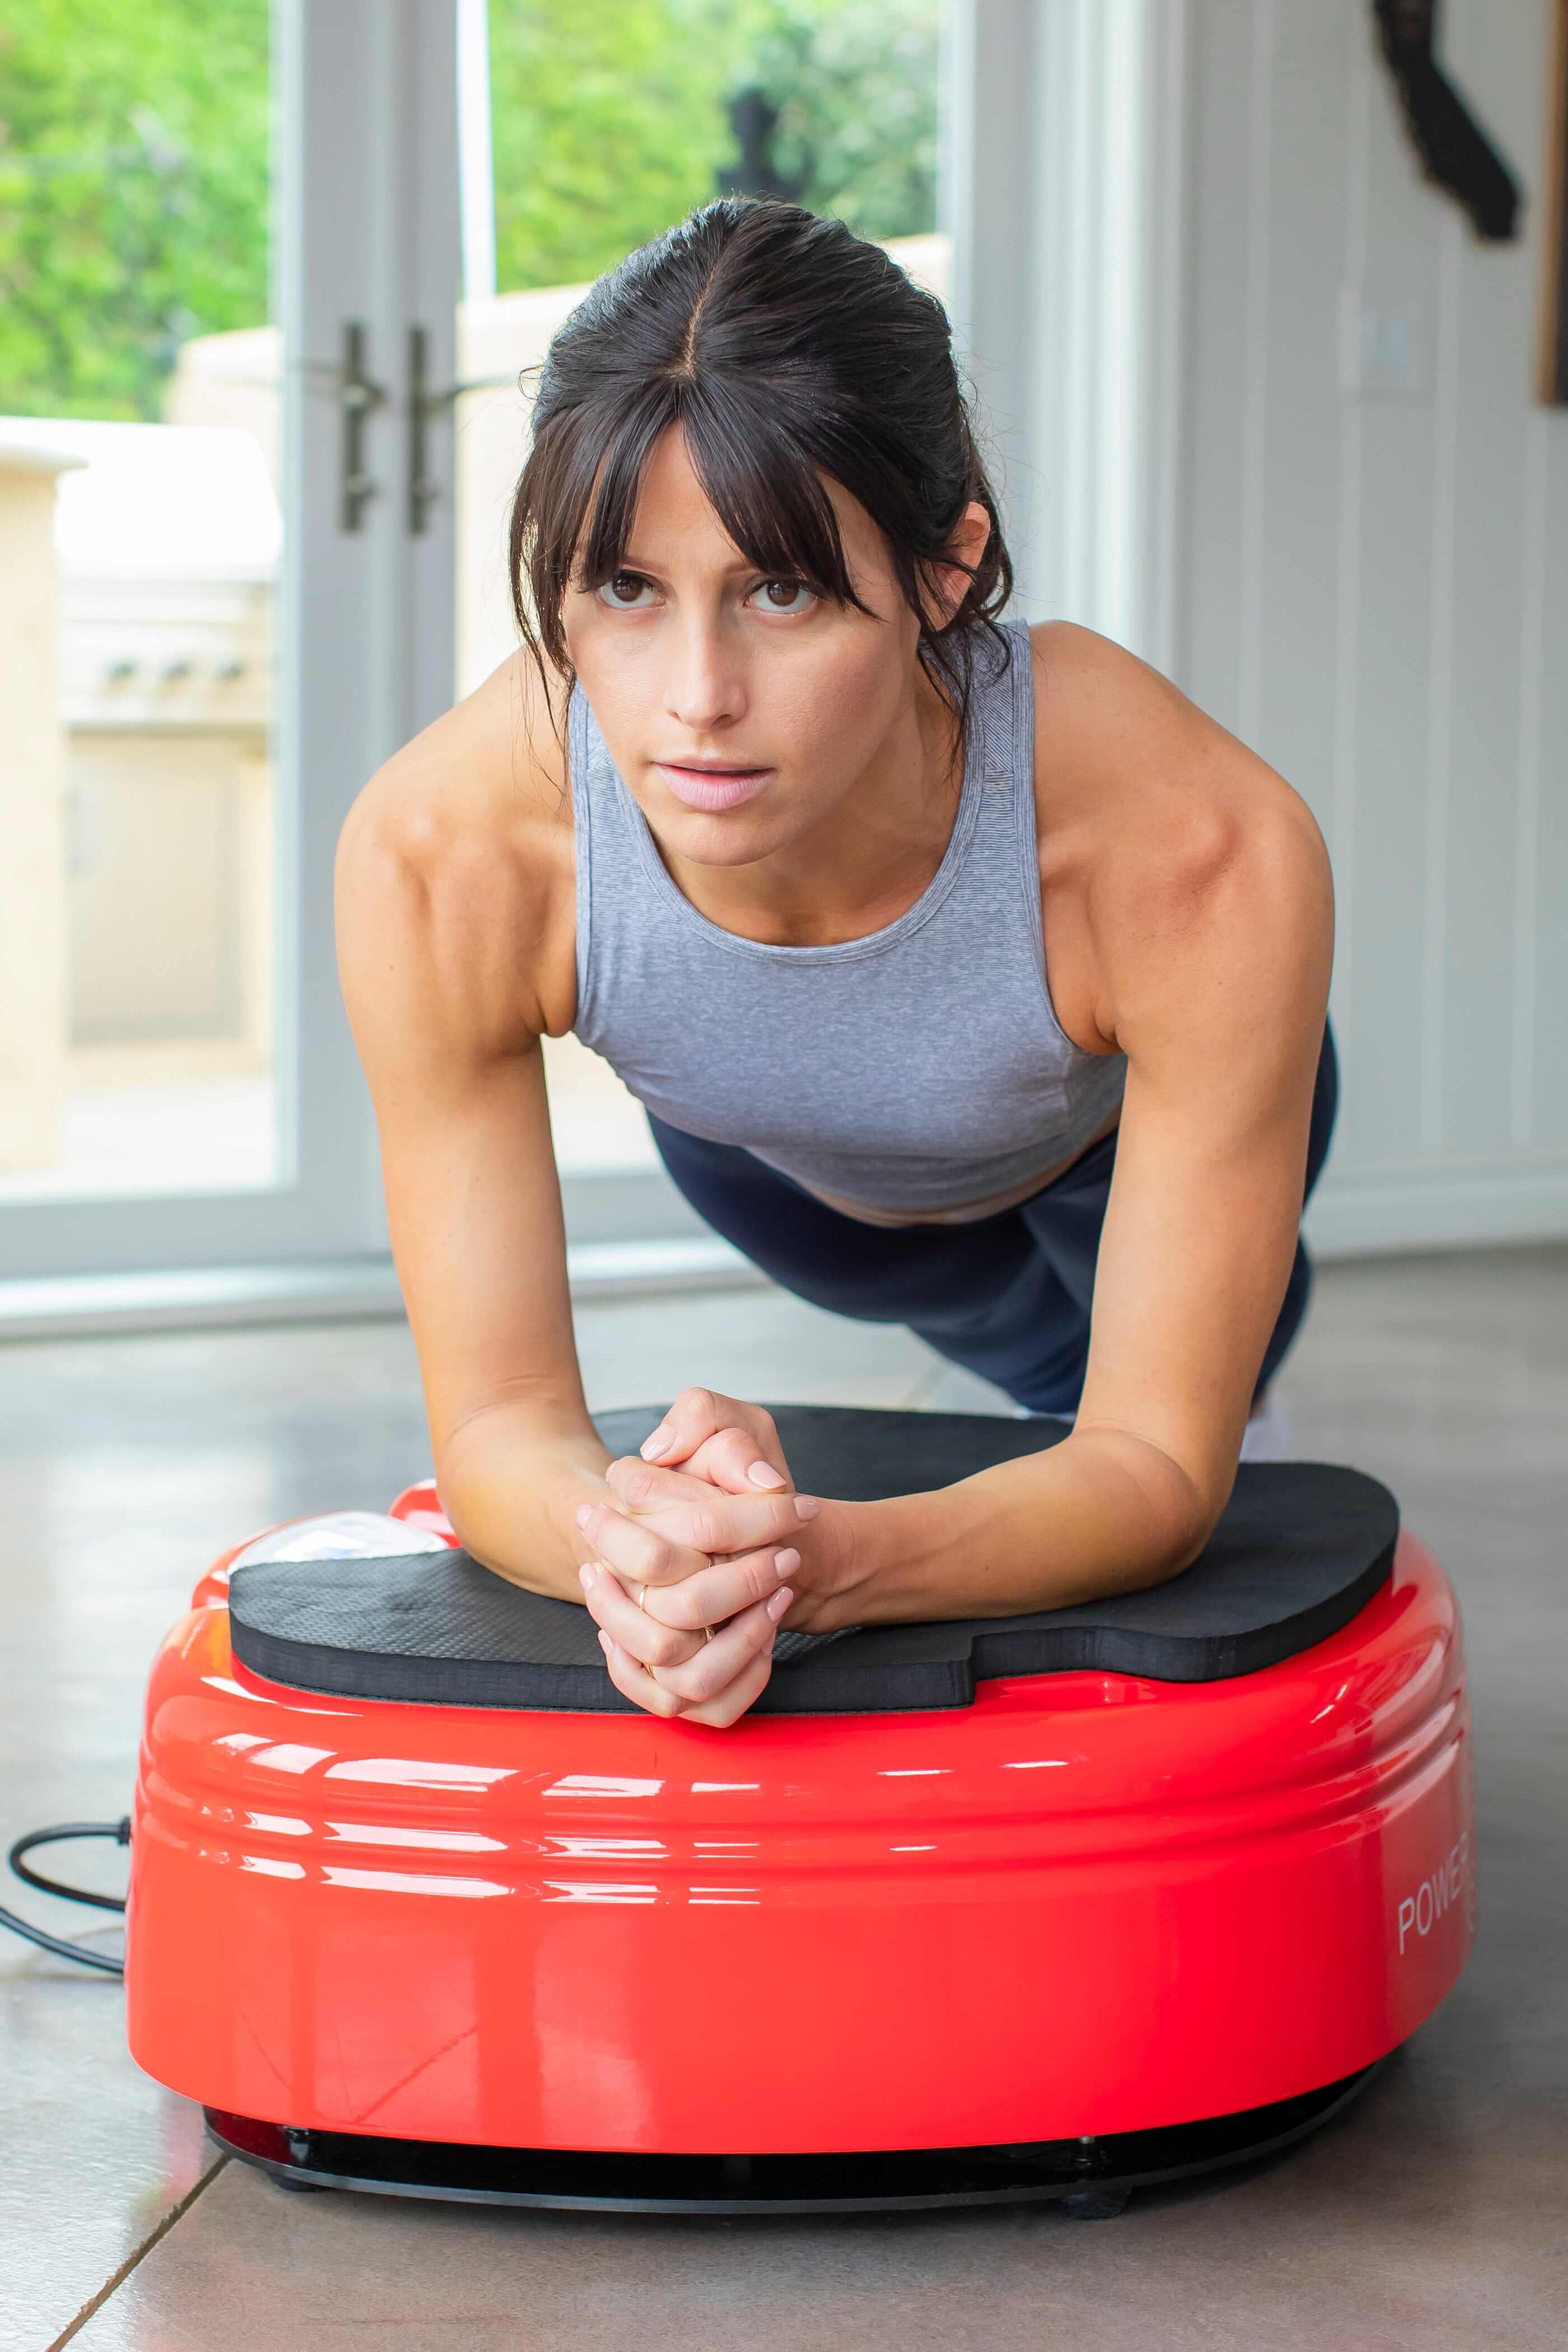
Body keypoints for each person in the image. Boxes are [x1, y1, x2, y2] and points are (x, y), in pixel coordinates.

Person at [336, 199, 1336, 1730]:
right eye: (625, 590)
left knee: (1166, 1424)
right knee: (1049, 1396)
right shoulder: (442, 851)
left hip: (1104, 1122)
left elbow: (1156, 1475)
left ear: (947, 570)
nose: (697, 702)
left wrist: (818, 1562)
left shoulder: (1193, 846)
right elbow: (500, 1430)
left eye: (782, 589)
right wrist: (650, 1556)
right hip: (789, 1172)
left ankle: (1226, 1329)